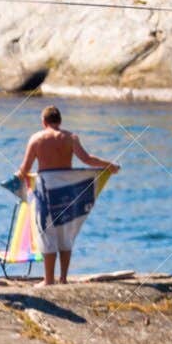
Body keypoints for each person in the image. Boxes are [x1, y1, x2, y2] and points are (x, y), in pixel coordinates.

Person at [17, 105, 120, 286]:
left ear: (44, 122)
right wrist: (109, 165)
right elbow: (87, 159)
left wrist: (16, 180)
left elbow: (24, 169)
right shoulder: (71, 138)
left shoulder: (36, 139)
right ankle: (63, 278)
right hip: (68, 188)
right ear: (60, 121)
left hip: (47, 188)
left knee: (46, 232)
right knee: (65, 232)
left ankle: (49, 280)